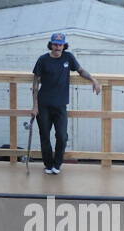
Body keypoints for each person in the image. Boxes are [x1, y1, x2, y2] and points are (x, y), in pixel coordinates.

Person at [31, 32, 101, 175]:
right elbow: (35, 82)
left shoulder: (68, 57)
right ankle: (48, 165)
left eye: (60, 44)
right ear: (51, 45)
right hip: (43, 104)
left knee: (62, 136)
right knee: (44, 135)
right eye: (55, 44)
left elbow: (80, 71)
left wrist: (93, 80)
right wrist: (35, 106)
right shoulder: (42, 60)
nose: (57, 47)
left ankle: (57, 164)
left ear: (64, 45)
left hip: (60, 105)